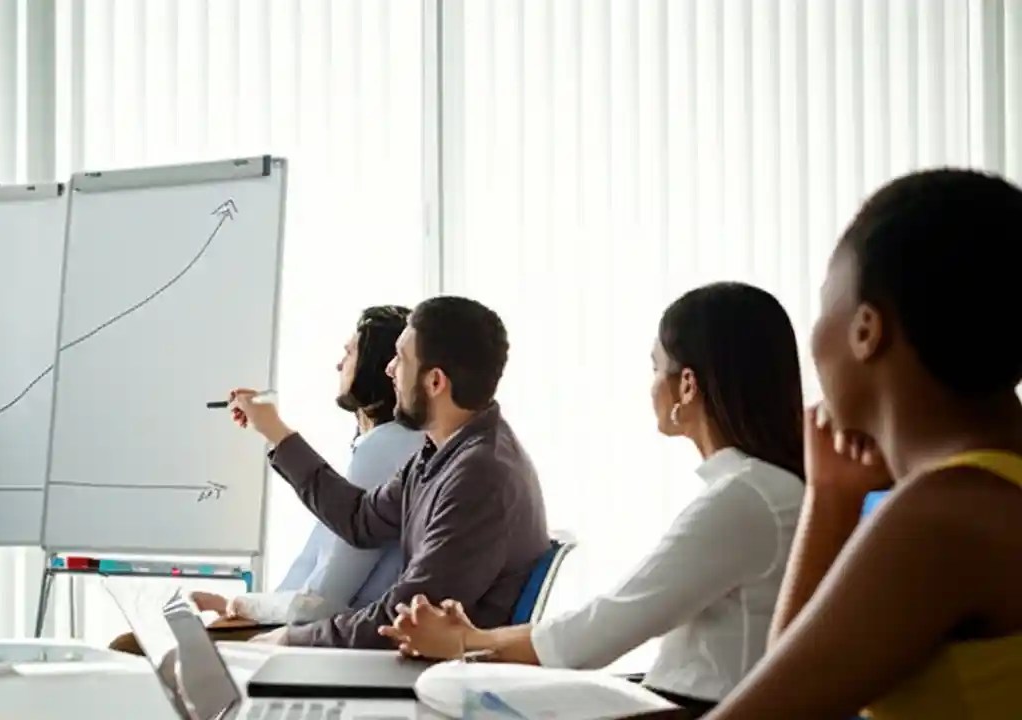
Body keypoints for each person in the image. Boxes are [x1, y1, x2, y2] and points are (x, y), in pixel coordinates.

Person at [383, 282, 806, 717]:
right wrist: (470, 639)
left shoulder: (744, 498)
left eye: (655, 367)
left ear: (687, 387)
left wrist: (464, 642)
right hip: (676, 698)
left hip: (695, 708)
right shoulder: (754, 491)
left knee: (444, 688)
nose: (650, 385)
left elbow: (600, 631)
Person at [706, 169, 1022, 719]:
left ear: (865, 330)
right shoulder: (989, 491)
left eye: (825, 301)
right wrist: (830, 497)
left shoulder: (944, 518)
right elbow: (797, 680)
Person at [228, 295, 550, 648]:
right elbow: (360, 518)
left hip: (437, 678)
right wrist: (276, 433)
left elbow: (404, 620)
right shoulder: (443, 451)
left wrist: (289, 640)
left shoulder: (479, 478)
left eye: (401, 359)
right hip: (417, 664)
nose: (389, 369)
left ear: (435, 382)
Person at [108, 306, 425, 653]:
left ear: (377, 365)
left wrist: (243, 607)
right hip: (315, 626)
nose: (338, 364)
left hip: (326, 639)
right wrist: (241, 607)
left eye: (349, 352)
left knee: (131, 648)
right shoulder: (392, 445)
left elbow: (323, 600)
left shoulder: (385, 448)